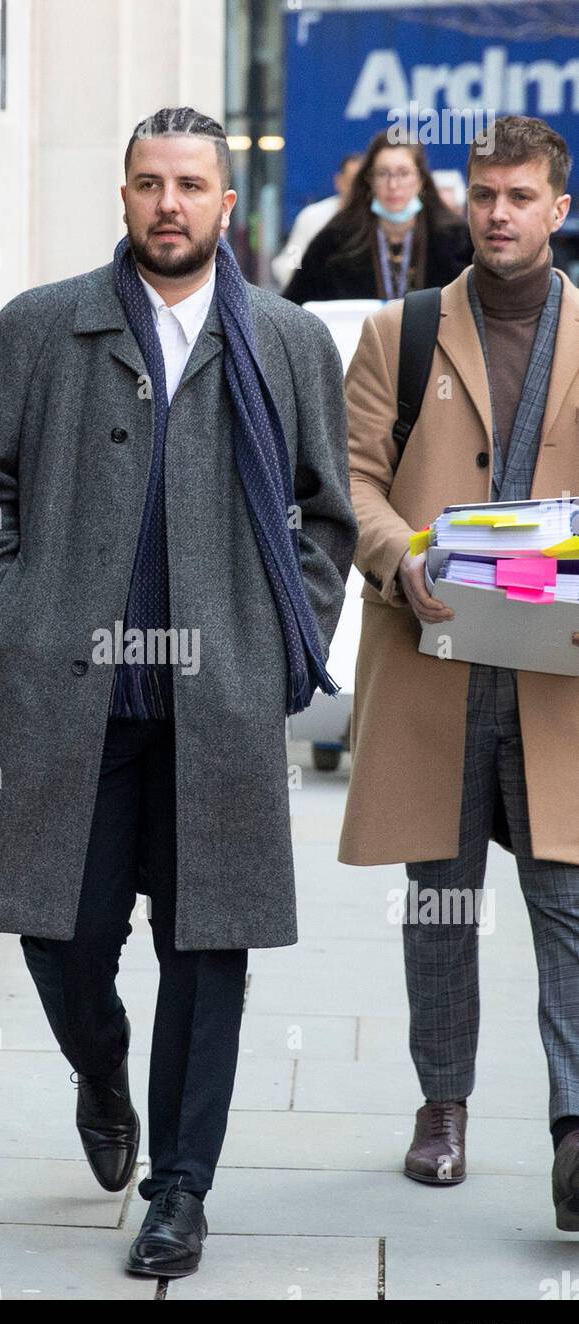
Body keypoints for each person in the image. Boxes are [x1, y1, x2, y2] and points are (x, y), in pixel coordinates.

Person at [0, 105, 358, 1279]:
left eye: (190, 184)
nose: (167, 203)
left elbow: (321, 515)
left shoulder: (282, 341)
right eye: (146, 183)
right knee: (59, 935)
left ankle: (179, 1188)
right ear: (120, 198)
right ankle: (99, 1066)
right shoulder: (40, 328)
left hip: (212, 704)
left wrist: (278, 643)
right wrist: (8, 618)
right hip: (69, 701)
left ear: (229, 205)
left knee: (205, 947)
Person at [337, 115, 579, 1232]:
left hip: (556, 676)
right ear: (462, 200)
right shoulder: (399, 331)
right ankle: (441, 1108)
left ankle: (574, 1132)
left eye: (519, 195)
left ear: (556, 208)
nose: (496, 213)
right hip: (434, 659)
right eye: (483, 193)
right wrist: (401, 556)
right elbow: (349, 487)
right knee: (437, 903)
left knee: (566, 903)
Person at [284, 131, 472, 305]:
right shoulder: (334, 240)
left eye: (403, 173)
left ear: (421, 179)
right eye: (383, 173)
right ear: (369, 180)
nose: (393, 184)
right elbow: (295, 299)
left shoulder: (456, 240)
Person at [272, 152, 362, 291]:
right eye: (352, 182)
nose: (357, 190)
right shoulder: (311, 217)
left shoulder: (380, 221)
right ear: (339, 181)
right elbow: (291, 260)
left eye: (363, 184)